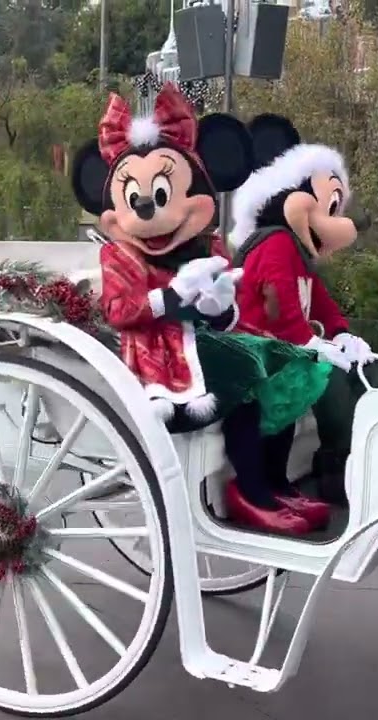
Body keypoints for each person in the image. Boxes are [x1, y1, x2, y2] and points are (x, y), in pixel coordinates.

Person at [69, 83, 332, 536]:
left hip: (208, 341)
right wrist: (173, 298)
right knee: (248, 371)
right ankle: (250, 491)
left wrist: (218, 306)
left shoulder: (207, 246)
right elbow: (118, 310)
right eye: (135, 199)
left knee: (291, 363)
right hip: (159, 353)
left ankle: (276, 482)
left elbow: (228, 311)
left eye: (163, 194)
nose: (149, 211)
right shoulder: (119, 256)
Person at [228, 115, 378, 510]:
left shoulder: (298, 254)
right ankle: (333, 468)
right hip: (260, 354)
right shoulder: (275, 244)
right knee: (326, 382)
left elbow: (320, 302)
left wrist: (341, 332)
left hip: (285, 353)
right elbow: (281, 305)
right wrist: (312, 343)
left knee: (364, 371)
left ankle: (363, 458)